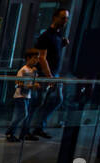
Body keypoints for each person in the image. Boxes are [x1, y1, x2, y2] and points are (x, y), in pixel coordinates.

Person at [29, 9, 70, 140]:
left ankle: (39, 126)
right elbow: (42, 58)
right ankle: (28, 129)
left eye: (66, 18)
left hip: (54, 74)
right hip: (45, 75)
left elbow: (52, 53)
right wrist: (49, 77)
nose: (65, 21)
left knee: (56, 99)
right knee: (37, 102)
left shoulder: (58, 35)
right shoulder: (46, 36)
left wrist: (62, 45)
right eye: (63, 18)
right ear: (55, 18)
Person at [6, 49, 43, 143]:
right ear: (28, 58)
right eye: (35, 58)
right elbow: (18, 84)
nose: (37, 60)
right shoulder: (23, 70)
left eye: (37, 58)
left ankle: (20, 134)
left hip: (27, 96)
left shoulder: (33, 70)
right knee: (22, 115)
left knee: (22, 115)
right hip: (20, 96)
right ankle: (10, 132)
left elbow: (34, 82)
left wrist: (36, 82)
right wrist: (31, 86)